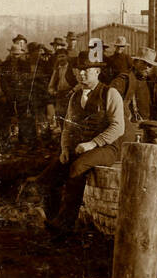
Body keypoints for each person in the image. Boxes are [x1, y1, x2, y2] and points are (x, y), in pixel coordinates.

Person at [37, 51, 131, 239]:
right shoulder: (75, 96)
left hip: (107, 148)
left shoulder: (110, 93)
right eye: (79, 70)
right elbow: (68, 127)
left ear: (97, 72)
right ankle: (54, 220)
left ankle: (66, 225)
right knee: (47, 178)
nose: (81, 74)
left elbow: (118, 127)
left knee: (77, 167)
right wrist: (64, 149)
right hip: (80, 147)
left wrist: (93, 143)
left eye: (87, 70)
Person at [131, 47, 157, 121]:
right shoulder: (128, 79)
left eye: (150, 65)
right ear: (135, 62)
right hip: (133, 122)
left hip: (147, 120)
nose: (146, 67)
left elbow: (153, 104)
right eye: (144, 63)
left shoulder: (150, 81)